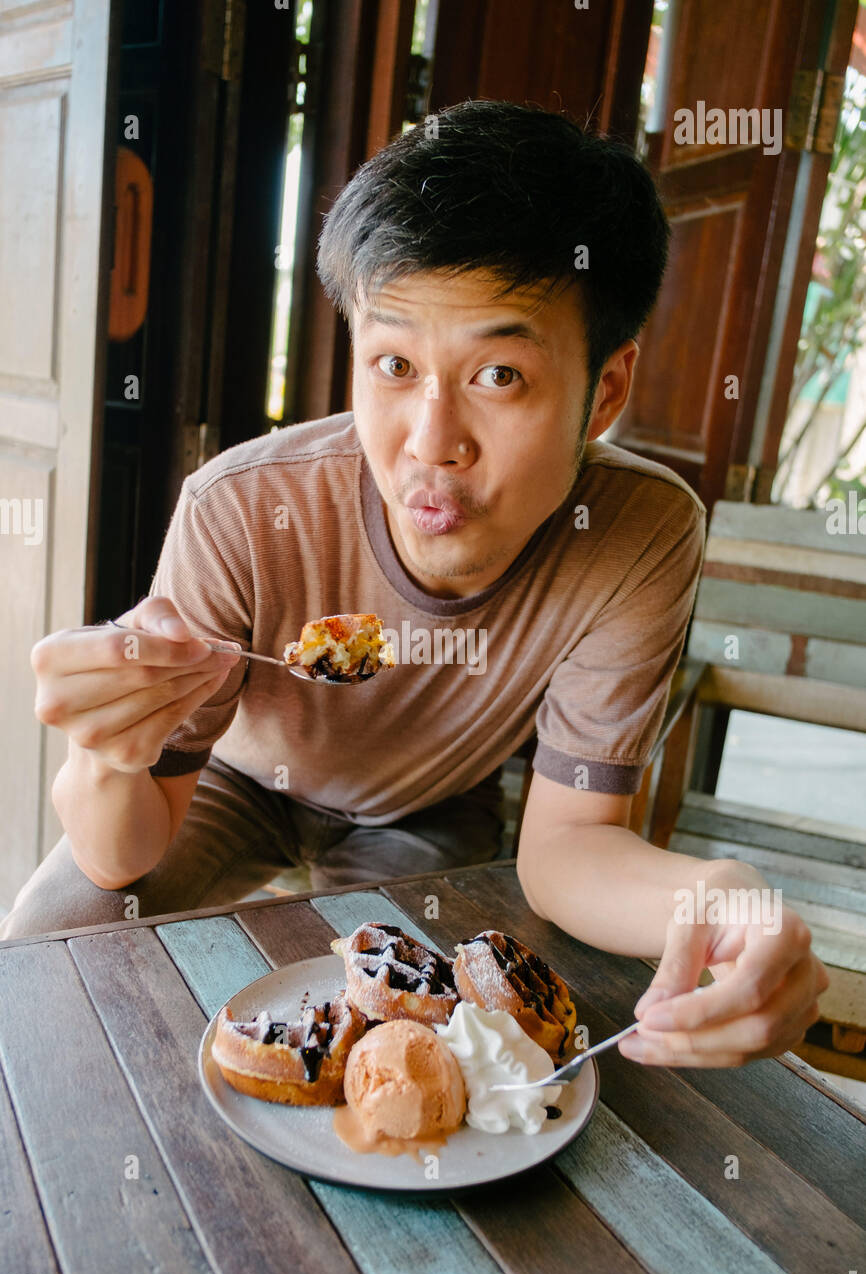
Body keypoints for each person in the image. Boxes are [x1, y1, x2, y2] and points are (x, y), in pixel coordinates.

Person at [3, 99, 827, 1071]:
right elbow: (119, 854)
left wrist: (716, 893)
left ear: (604, 389)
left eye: (500, 376)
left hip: (428, 806)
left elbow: (569, 850)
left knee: (414, 1032)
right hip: (238, 775)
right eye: (392, 363)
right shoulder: (241, 508)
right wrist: (104, 755)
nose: (430, 442)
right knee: (49, 932)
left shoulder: (638, 535)